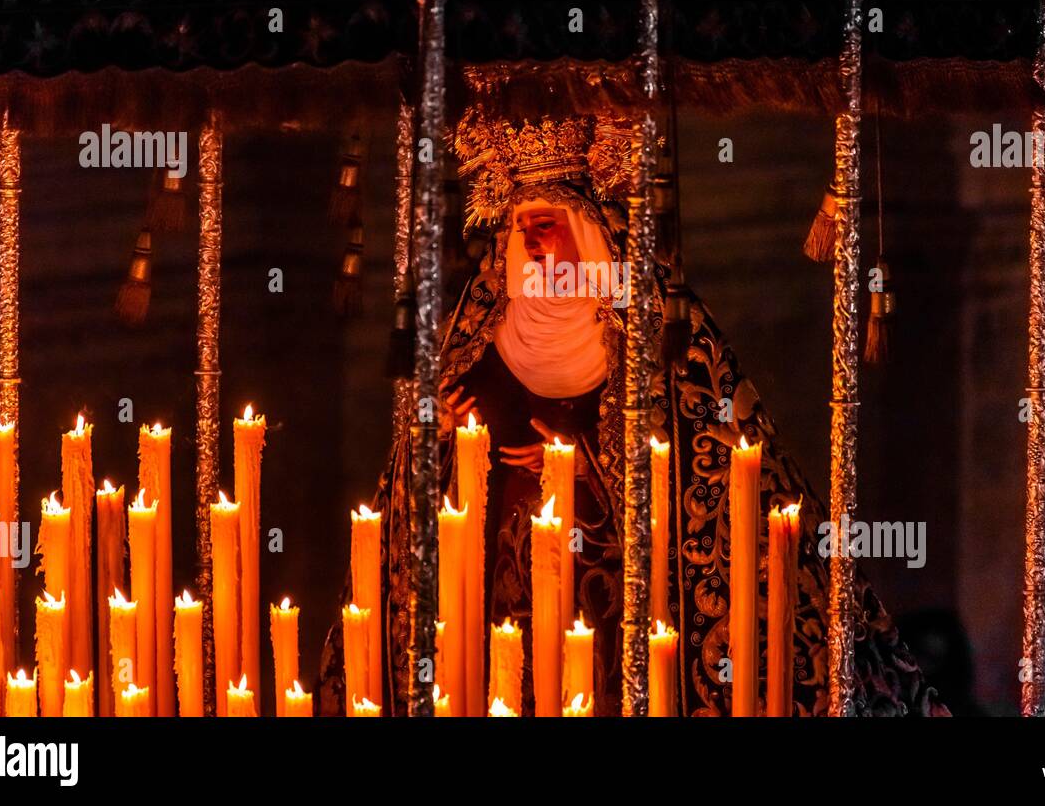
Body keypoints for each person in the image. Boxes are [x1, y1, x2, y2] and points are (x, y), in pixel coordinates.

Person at [319, 106, 945, 717]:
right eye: (523, 228)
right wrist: (450, 442)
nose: (533, 243)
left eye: (548, 224)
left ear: (585, 229)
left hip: (624, 605)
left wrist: (580, 458)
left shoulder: (648, 328)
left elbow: (703, 465)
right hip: (492, 611)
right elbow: (412, 494)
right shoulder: (479, 328)